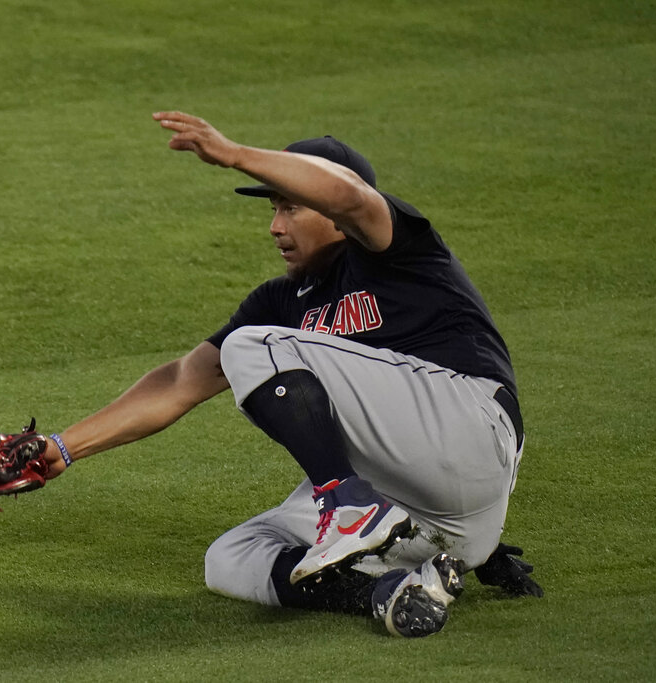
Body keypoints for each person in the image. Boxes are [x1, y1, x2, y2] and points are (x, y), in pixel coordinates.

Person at [38, 111, 542, 638]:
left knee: (255, 345)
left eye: (292, 206)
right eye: (275, 208)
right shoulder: (280, 303)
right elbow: (181, 381)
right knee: (231, 557)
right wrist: (61, 447)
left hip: (471, 430)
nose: (276, 226)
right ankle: (390, 591)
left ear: (330, 210)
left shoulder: (397, 252)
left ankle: (348, 505)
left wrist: (233, 153)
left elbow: (350, 198)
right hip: (436, 514)